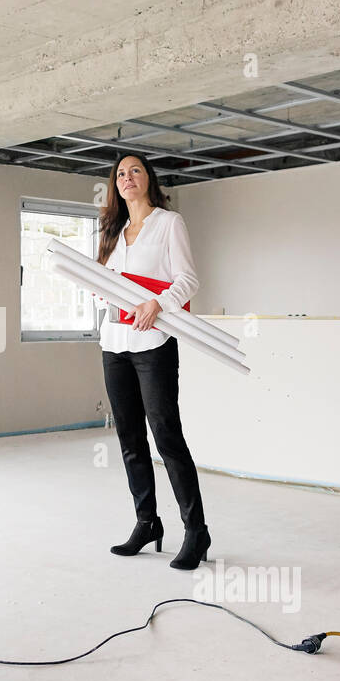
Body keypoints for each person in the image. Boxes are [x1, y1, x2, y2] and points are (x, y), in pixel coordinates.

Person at [95, 152, 210, 569]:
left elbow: (188, 279)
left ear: (149, 179)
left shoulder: (168, 223)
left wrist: (158, 305)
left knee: (167, 438)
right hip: (114, 344)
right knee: (129, 441)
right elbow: (104, 282)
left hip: (154, 343)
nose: (128, 178)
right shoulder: (112, 231)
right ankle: (147, 522)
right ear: (115, 184)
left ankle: (196, 532)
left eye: (135, 171)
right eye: (121, 174)